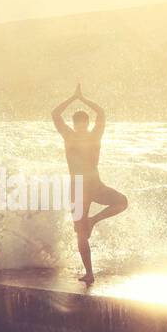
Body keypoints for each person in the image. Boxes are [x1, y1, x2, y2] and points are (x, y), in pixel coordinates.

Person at [52, 84, 127, 285]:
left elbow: (56, 114)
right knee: (82, 231)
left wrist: (75, 98)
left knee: (121, 203)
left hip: (87, 186)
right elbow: (100, 113)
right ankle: (89, 271)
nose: (81, 127)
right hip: (86, 187)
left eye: (82, 124)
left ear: (82, 123)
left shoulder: (71, 135)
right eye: (80, 124)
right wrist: (80, 99)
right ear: (80, 123)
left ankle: (94, 223)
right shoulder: (91, 135)